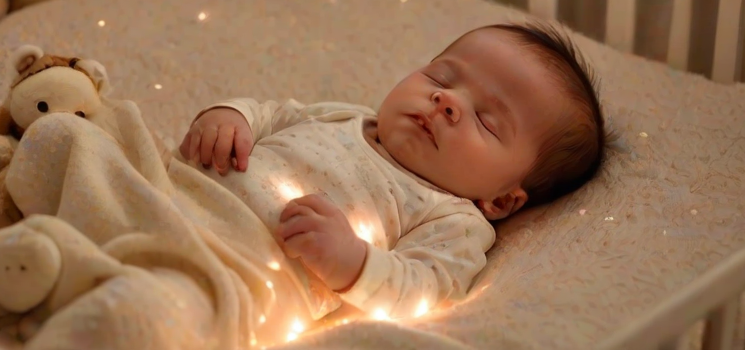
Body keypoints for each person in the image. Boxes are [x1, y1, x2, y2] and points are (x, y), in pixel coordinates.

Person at [175, 20, 610, 336]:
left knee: (160, 313)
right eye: (441, 77)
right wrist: (231, 116)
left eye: (486, 121)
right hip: (171, 188)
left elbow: (421, 288)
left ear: (501, 201)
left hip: (230, 271)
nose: (447, 99)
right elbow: (272, 114)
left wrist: (352, 262)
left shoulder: (454, 221)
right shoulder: (346, 115)